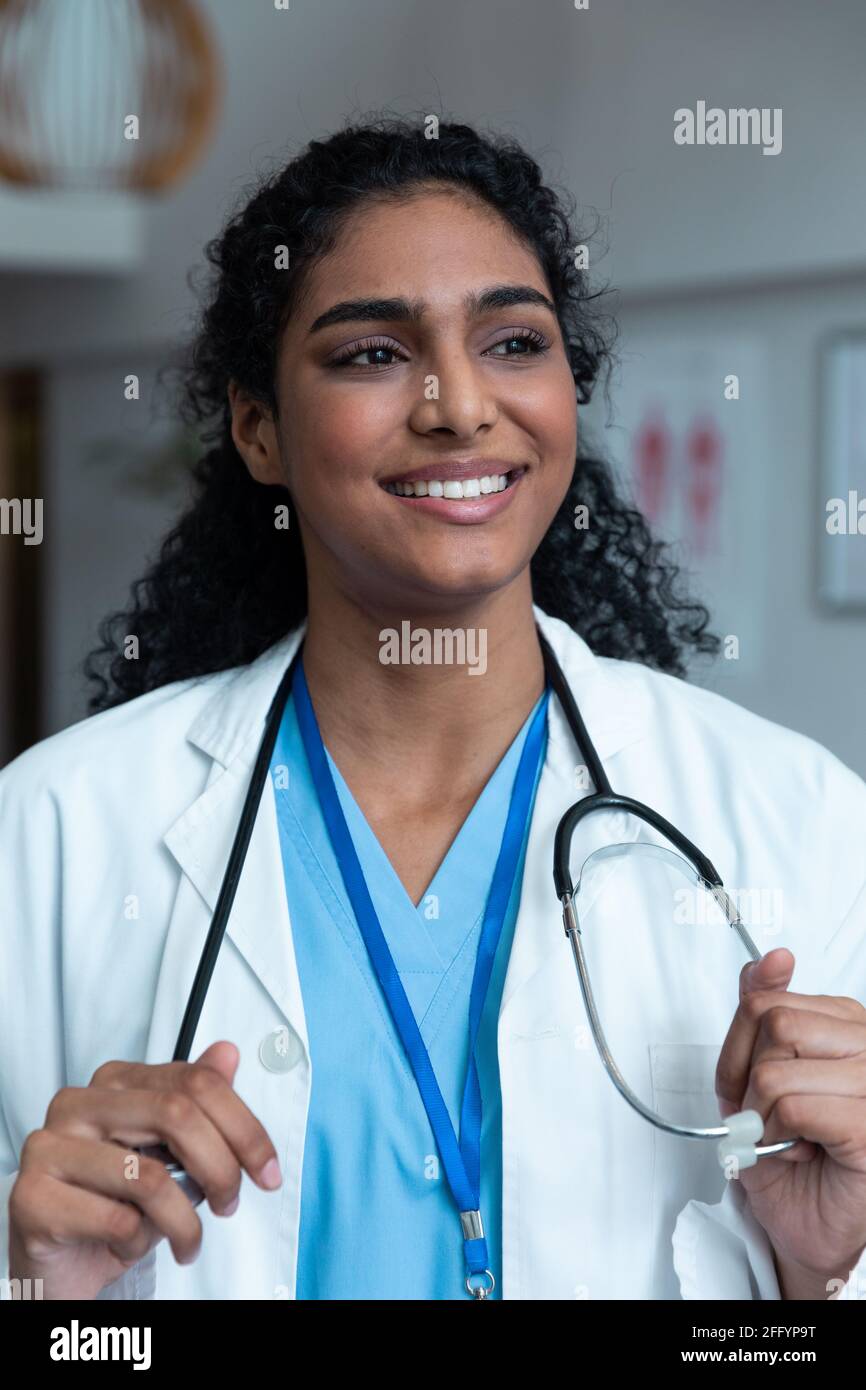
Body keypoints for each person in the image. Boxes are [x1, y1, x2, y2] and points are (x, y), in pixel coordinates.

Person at [2, 116, 865, 1303]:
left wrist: (822, 1277)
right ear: (257, 429)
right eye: (370, 354)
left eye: (513, 341)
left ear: (568, 392)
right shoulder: (50, 830)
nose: (458, 405)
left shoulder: (797, 819)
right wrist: (42, 1294)